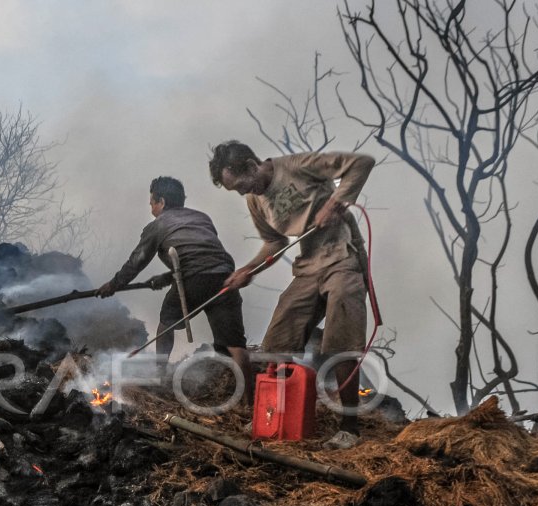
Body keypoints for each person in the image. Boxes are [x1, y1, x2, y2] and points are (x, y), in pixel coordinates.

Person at [209, 141, 374, 449]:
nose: (244, 192)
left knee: (341, 341)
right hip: (309, 265)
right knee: (277, 339)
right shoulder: (256, 202)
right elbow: (274, 242)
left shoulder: (297, 166)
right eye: (236, 191)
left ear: (251, 165)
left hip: (342, 254)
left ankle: (349, 427)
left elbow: (361, 163)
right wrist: (248, 270)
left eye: (242, 184)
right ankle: (273, 414)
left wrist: (336, 202)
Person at [96, 176, 253, 403]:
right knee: (236, 345)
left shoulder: (157, 225)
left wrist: (113, 285)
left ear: (161, 201)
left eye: (151, 203)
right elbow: (203, 256)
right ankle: (248, 405)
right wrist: (167, 277)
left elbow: (136, 262)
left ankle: (159, 372)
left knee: (165, 323)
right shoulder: (202, 218)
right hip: (226, 279)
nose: (151, 208)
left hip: (194, 280)